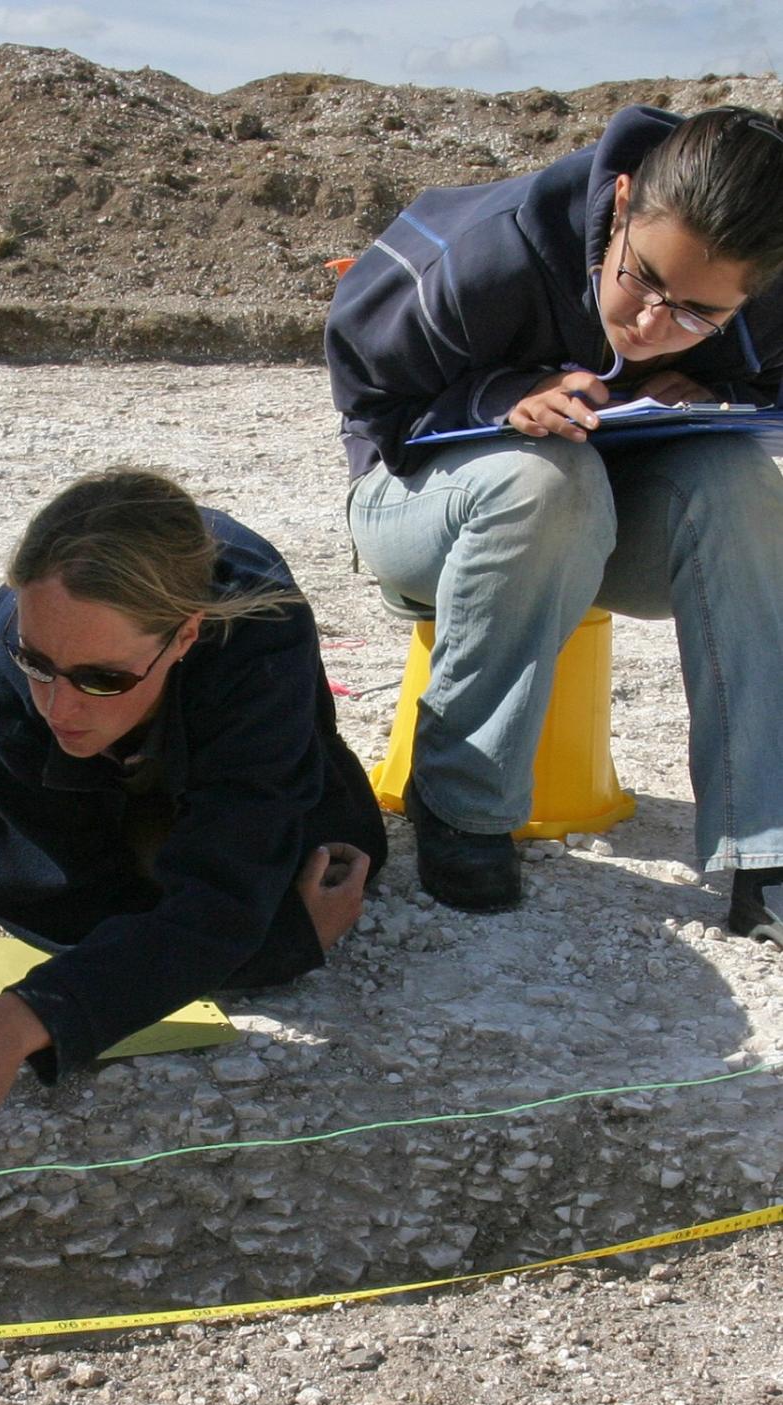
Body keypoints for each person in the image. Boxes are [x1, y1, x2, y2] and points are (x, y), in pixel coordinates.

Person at [326, 104, 783, 931]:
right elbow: (374, 401)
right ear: (619, 200)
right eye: (641, 278)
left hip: (605, 521)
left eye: (695, 315)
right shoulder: (488, 247)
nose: (650, 324)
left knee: (737, 480)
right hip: (424, 507)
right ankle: (462, 805)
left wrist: (719, 394)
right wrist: (507, 397)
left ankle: (766, 845)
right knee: (546, 477)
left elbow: (764, 395)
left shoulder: (763, 297)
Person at [0, 467, 386, 1167]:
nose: (60, 707)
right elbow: (45, 904)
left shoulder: (259, 626)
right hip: (75, 762)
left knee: (331, 844)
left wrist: (20, 1020)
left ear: (186, 635)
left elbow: (230, 882)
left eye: (101, 678)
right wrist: (281, 943)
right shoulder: (4, 651)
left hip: (222, 707)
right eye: (37, 662)